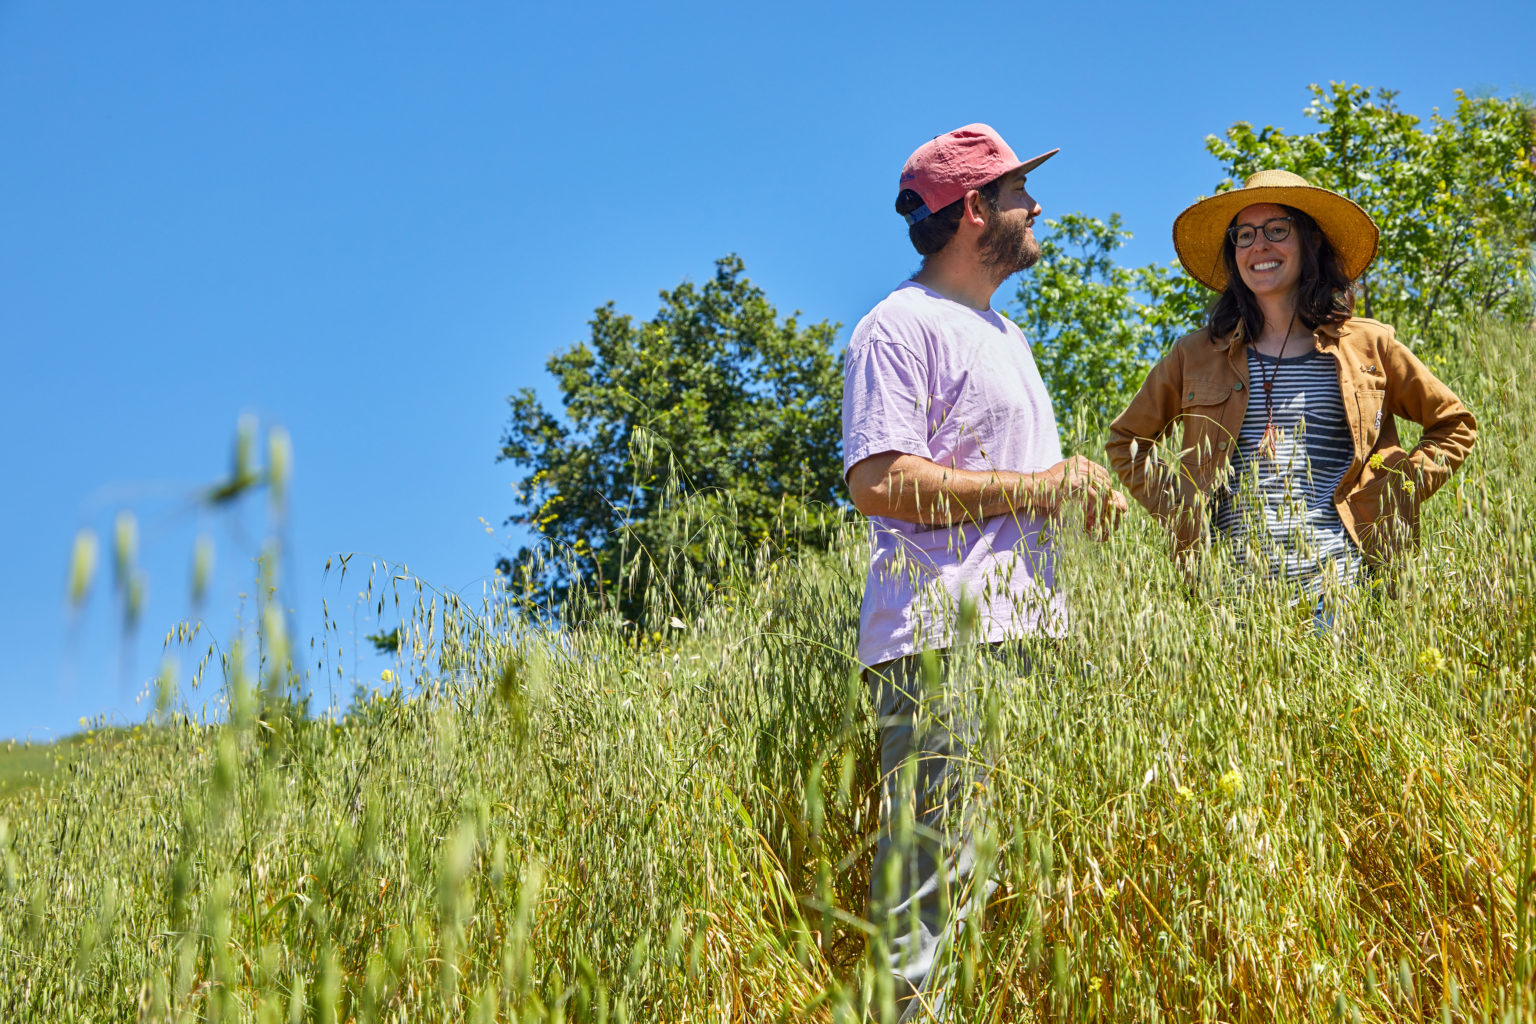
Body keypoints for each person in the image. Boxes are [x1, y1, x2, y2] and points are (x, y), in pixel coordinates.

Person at [842, 123, 1124, 1022]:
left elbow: (1015, 486)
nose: (1035, 208)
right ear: (973, 210)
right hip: (944, 651)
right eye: (1017, 193)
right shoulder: (899, 327)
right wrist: (1037, 488)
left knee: (1013, 900)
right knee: (933, 899)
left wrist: (1070, 491)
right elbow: (878, 481)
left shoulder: (1007, 333)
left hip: (1030, 641)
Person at [1106, 170, 1476, 610]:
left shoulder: (1369, 345)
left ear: (1311, 241)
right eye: (1244, 235)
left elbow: (1455, 425)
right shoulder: (1195, 354)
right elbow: (1126, 441)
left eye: (1277, 230)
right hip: (1229, 604)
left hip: (1342, 594)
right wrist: (1182, 510)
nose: (1259, 245)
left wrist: (1396, 489)